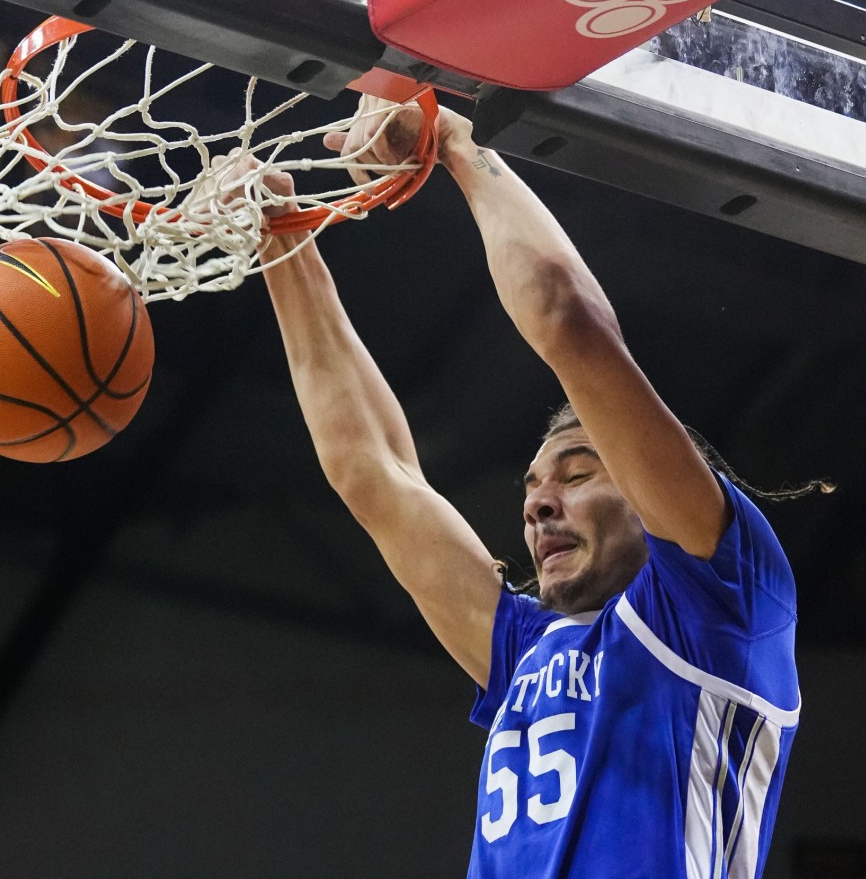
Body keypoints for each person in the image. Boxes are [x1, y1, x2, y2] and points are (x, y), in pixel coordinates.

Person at [256, 97, 804, 879]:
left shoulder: (724, 604)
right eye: (534, 486)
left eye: (578, 474)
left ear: (653, 492)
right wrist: (283, 240)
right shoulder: (529, 650)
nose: (539, 503)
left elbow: (567, 318)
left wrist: (452, 143)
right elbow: (372, 472)